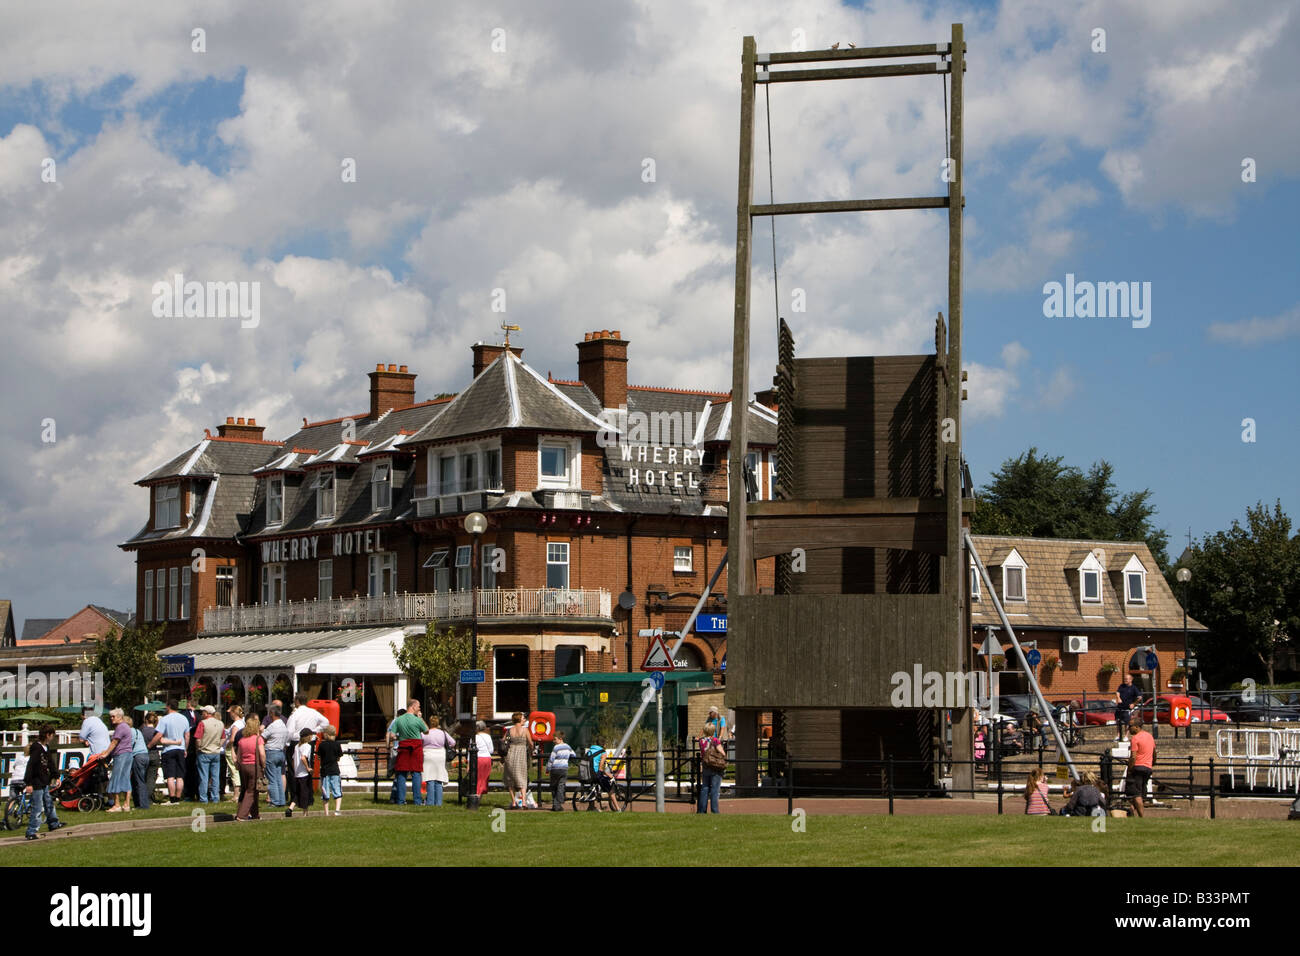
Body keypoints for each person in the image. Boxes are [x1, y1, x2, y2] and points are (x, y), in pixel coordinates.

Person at [23, 725, 63, 840]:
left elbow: (50, 763)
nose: (52, 737)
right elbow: (31, 766)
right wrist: (29, 783)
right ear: (47, 735)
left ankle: (53, 823)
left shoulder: (46, 748)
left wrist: (56, 776)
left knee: (48, 803)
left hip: (44, 781)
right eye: (52, 735)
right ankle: (31, 831)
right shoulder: (37, 748)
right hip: (36, 782)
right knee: (38, 807)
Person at [390, 699, 428, 805]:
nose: (419, 709)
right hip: (416, 748)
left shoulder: (398, 720)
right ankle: (417, 800)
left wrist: (399, 737)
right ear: (413, 706)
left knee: (402, 774)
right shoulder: (417, 720)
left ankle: (401, 800)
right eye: (418, 706)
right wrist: (421, 718)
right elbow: (426, 730)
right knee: (416, 773)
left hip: (403, 747)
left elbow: (392, 735)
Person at [100, 708, 135, 812]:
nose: (111, 718)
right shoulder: (126, 727)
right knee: (125, 779)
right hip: (128, 754)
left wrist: (105, 753)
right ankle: (127, 804)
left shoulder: (120, 727)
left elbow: (114, 742)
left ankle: (117, 805)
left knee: (116, 778)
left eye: (113, 716)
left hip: (121, 755)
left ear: (120, 717)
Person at [156, 700, 191, 803]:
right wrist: (185, 748)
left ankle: (172, 797)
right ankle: (178, 797)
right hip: (180, 748)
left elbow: (159, 734)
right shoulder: (184, 718)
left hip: (168, 749)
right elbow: (187, 735)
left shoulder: (164, 719)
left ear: (168, 706)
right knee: (180, 776)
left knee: (170, 776)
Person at [236, 713, 266, 821]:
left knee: (253, 790)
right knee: (251, 791)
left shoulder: (242, 740)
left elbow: (238, 754)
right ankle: (242, 815)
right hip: (254, 766)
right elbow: (262, 754)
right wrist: (264, 765)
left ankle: (255, 815)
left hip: (243, 767)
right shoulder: (258, 739)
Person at [420, 716, 455, 807]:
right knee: (439, 779)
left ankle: (430, 802)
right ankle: (438, 802)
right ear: (438, 723)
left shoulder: (425, 733)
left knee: (429, 779)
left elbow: (420, 742)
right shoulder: (443, 733)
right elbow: (453, 742)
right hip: (440, 755)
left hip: (428, 755)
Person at [502, 711, 533, 809]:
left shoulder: (509, 730)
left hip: (510, 754)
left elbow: (503, 742)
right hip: (521, 754)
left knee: (509, 778)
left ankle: (514, 802)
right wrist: (531, 750)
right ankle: (524, 802)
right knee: (522, 777)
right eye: (523, 718)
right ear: (519, 719)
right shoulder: (525, 730)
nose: (524, 720)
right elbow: (531, 743)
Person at [195, 704, 225, 803]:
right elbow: (223, 738)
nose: (202, 714)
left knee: (204, 776)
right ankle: (215, 797)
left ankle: (203, 798)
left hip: (204, 751)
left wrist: (198, 748)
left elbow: (198, 738)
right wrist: (218, 746)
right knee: (215, 776)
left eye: (203, 712)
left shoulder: (202, 723)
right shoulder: (220, 723)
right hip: (215, 752)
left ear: (207, 713)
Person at [1127, 717, 1155, 817]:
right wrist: (1152, 763)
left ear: (1137, 727)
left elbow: (1133, 757)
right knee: (1142, 791)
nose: (1128, 728)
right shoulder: (1150, 736)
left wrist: (1130, 769)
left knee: (1136, 793)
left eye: (1130, 726)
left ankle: (1141, 817)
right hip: (1148, 768)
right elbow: (1154, 753)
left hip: (1138, 767)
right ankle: (1132, 808)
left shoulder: (1135, 738)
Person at [261, 703, 289, 807]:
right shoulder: (283, 726)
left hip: (271, 752)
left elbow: (262, 737)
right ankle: (281, 800)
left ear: (272, 713)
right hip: (281, 752)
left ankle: (275, 801)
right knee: (278, 778)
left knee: (272, 779)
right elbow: (287, 742)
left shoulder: (272, 726)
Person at [286, 728, 315, 817]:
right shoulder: (307, 746)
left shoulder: (297, 746)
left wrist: (295, 770)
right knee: (305, 793)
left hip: (297, 773)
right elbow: (303, 758)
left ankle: (290, 808)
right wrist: (308, 768)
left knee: (298, 793)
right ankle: (305, 813)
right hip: (304, 773)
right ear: (308, 736)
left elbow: (294, 759)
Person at [697, 721, 725, 814]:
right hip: (715, 767)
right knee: (715, 789)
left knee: (705, 788)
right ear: (713, 731)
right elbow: (722, 752)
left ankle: (702, 810)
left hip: (705, 766)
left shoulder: (701, 741)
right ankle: (715, 810)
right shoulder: (715, 740)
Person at [317, 724, 343, 816]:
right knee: (337, 791)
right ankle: (337, 811)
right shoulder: (337, 745)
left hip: (325, 771)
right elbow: (338, 757)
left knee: (325, 793)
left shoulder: (322, 745)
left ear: (326, 734)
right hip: (335, 770)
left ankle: (326, 813)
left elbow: (319, 757)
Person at [546, 730, 575, 811]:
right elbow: (573, 754)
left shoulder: (556, 748)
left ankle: (556, 805)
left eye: (555, 739)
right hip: (564, 769)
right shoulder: (568, 747)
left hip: (555, 769)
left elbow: (551, 759)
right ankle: (557, 804)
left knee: (553, 787)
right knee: (561, 786)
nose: (553, 741)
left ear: (560, 738)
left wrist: (548, 768)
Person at [128, 715, 151, 810]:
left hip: (137, 756)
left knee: (139, 781)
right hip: (145, 755)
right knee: (139, 780)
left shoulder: (129, 732)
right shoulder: (138, 731)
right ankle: (139, 803)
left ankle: (143, 805)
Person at [224, 704, 246, 796]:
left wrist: (226, 745)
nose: (230, 715)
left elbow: (232, 739)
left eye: (231, 712)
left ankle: (236, 794)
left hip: (232, 748)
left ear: (234, 713)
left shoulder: (236, 725)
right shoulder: (242, 722)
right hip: (240, 748)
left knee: (233, 770)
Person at [1114, 673, 1142, 741]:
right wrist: (1118, 698)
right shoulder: (1122, 686)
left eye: (1127, 679)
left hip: (1127, 708)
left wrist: (1134, 704)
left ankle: (1126, 736)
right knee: (1118, 721)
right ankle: (1118, 735)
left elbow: (1139, 697)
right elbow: (1117, 692)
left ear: (1131, 680)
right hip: (1120, 707)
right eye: (1125, 679)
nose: (1125, 680)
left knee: (1127, 722)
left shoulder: (1134, 688)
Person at [474, 720, 495, 797]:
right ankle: (480, 795)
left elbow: (471, 750)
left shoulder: (474, 737)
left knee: (477, 778)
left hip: (478, 758)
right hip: (487, 758)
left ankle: (476, 795)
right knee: (484, 779)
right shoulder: (488, 736)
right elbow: (491, 750)